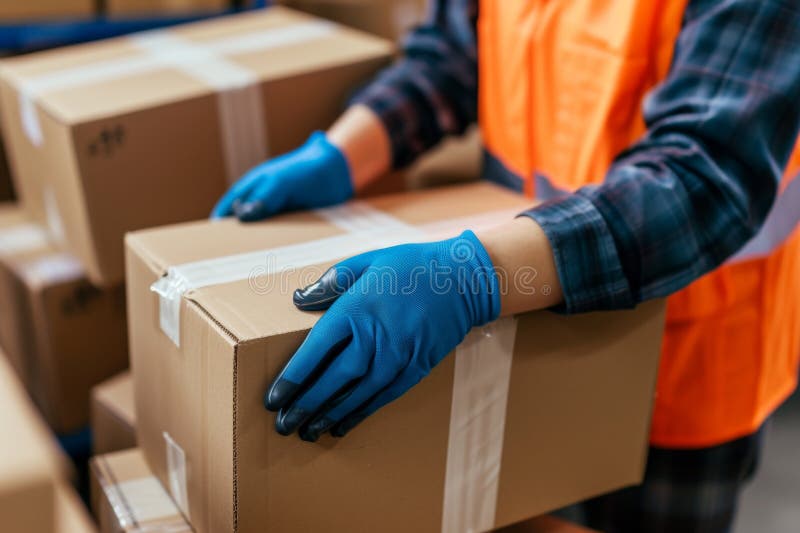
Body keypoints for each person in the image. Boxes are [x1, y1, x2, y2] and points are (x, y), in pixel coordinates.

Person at [212, 1, 800, 531]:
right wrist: (343, 152)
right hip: (528, 329)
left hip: (684, 360)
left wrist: (472, 276)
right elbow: (452, 55)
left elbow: (702, 176)